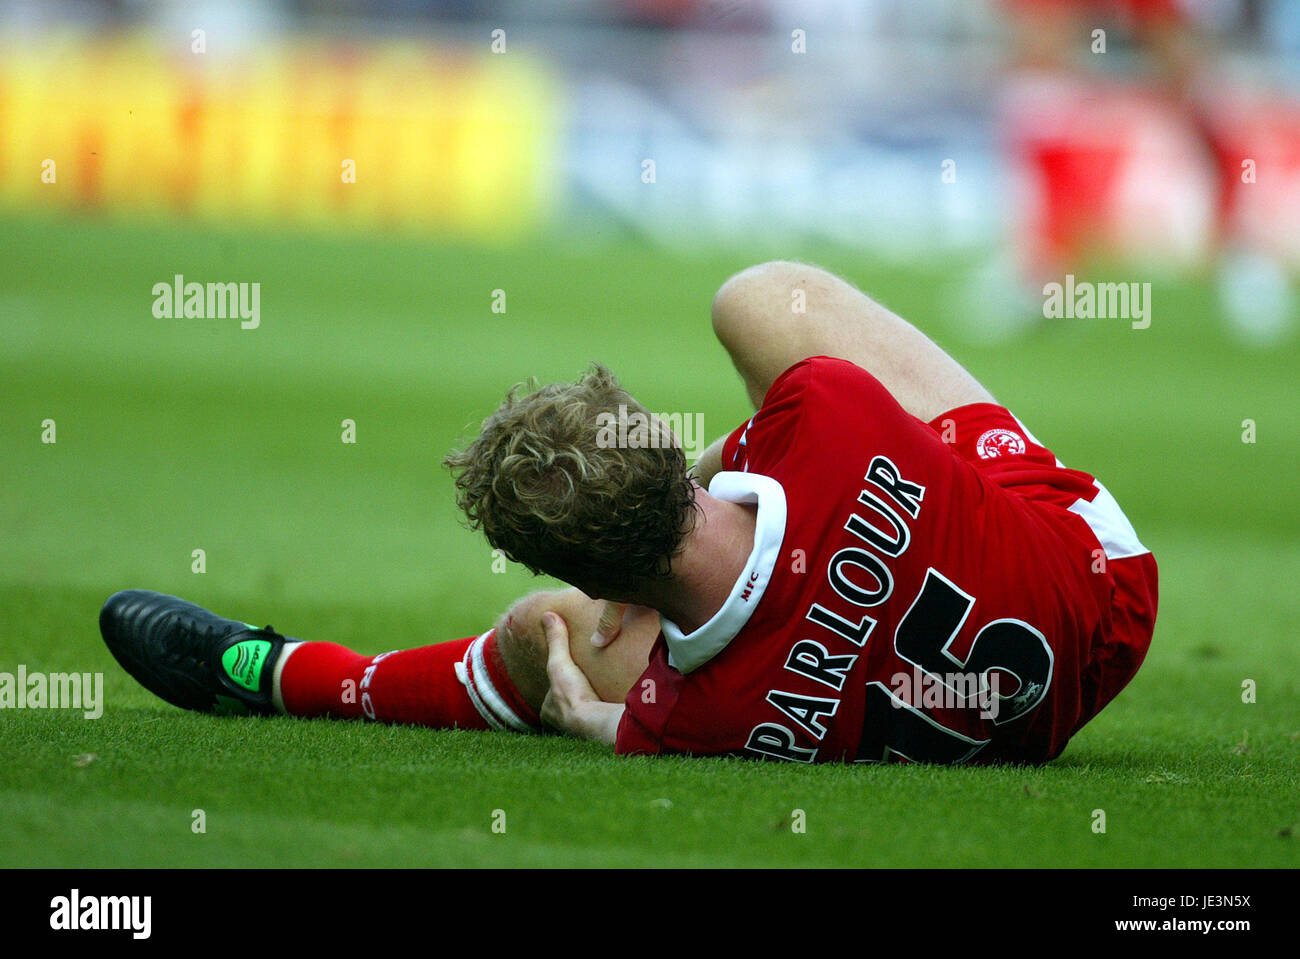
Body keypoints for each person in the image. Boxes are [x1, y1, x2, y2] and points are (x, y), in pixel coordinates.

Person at [101, 261, 1157, 764]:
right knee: (758, 297)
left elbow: (609, 710)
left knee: (532, 638)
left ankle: (283, 675)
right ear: (658, 442)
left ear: (608, 587)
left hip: (1010, 725)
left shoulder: (684, 720)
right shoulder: (826, 411)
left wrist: (593, 707)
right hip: (1103, 601)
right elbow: (794, 441)